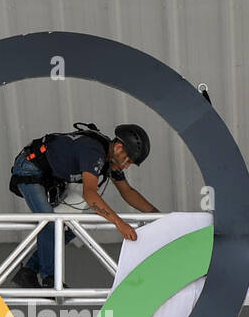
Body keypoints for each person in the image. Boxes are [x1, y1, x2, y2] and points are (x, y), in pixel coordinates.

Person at [8, 123, 158, 288]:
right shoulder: (94, 152)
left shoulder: (109, 161)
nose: (127, 165)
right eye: (128, 160)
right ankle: (49, 278)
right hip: (29, 170)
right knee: (50, 223)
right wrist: (119, 223)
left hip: (47, 177)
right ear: (119, 147)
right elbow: (90, 194)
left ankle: (28, 271)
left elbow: (127, 192)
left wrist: (157, 216)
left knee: (72, 226)